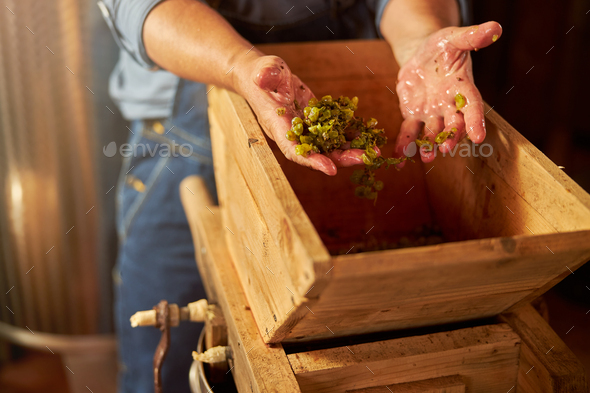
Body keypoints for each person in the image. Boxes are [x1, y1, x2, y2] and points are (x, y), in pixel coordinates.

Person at [98, 0, 501, 391]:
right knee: (166, 360)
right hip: (187, 140)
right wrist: (239, 66)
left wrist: (420, 38)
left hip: (345, 68)